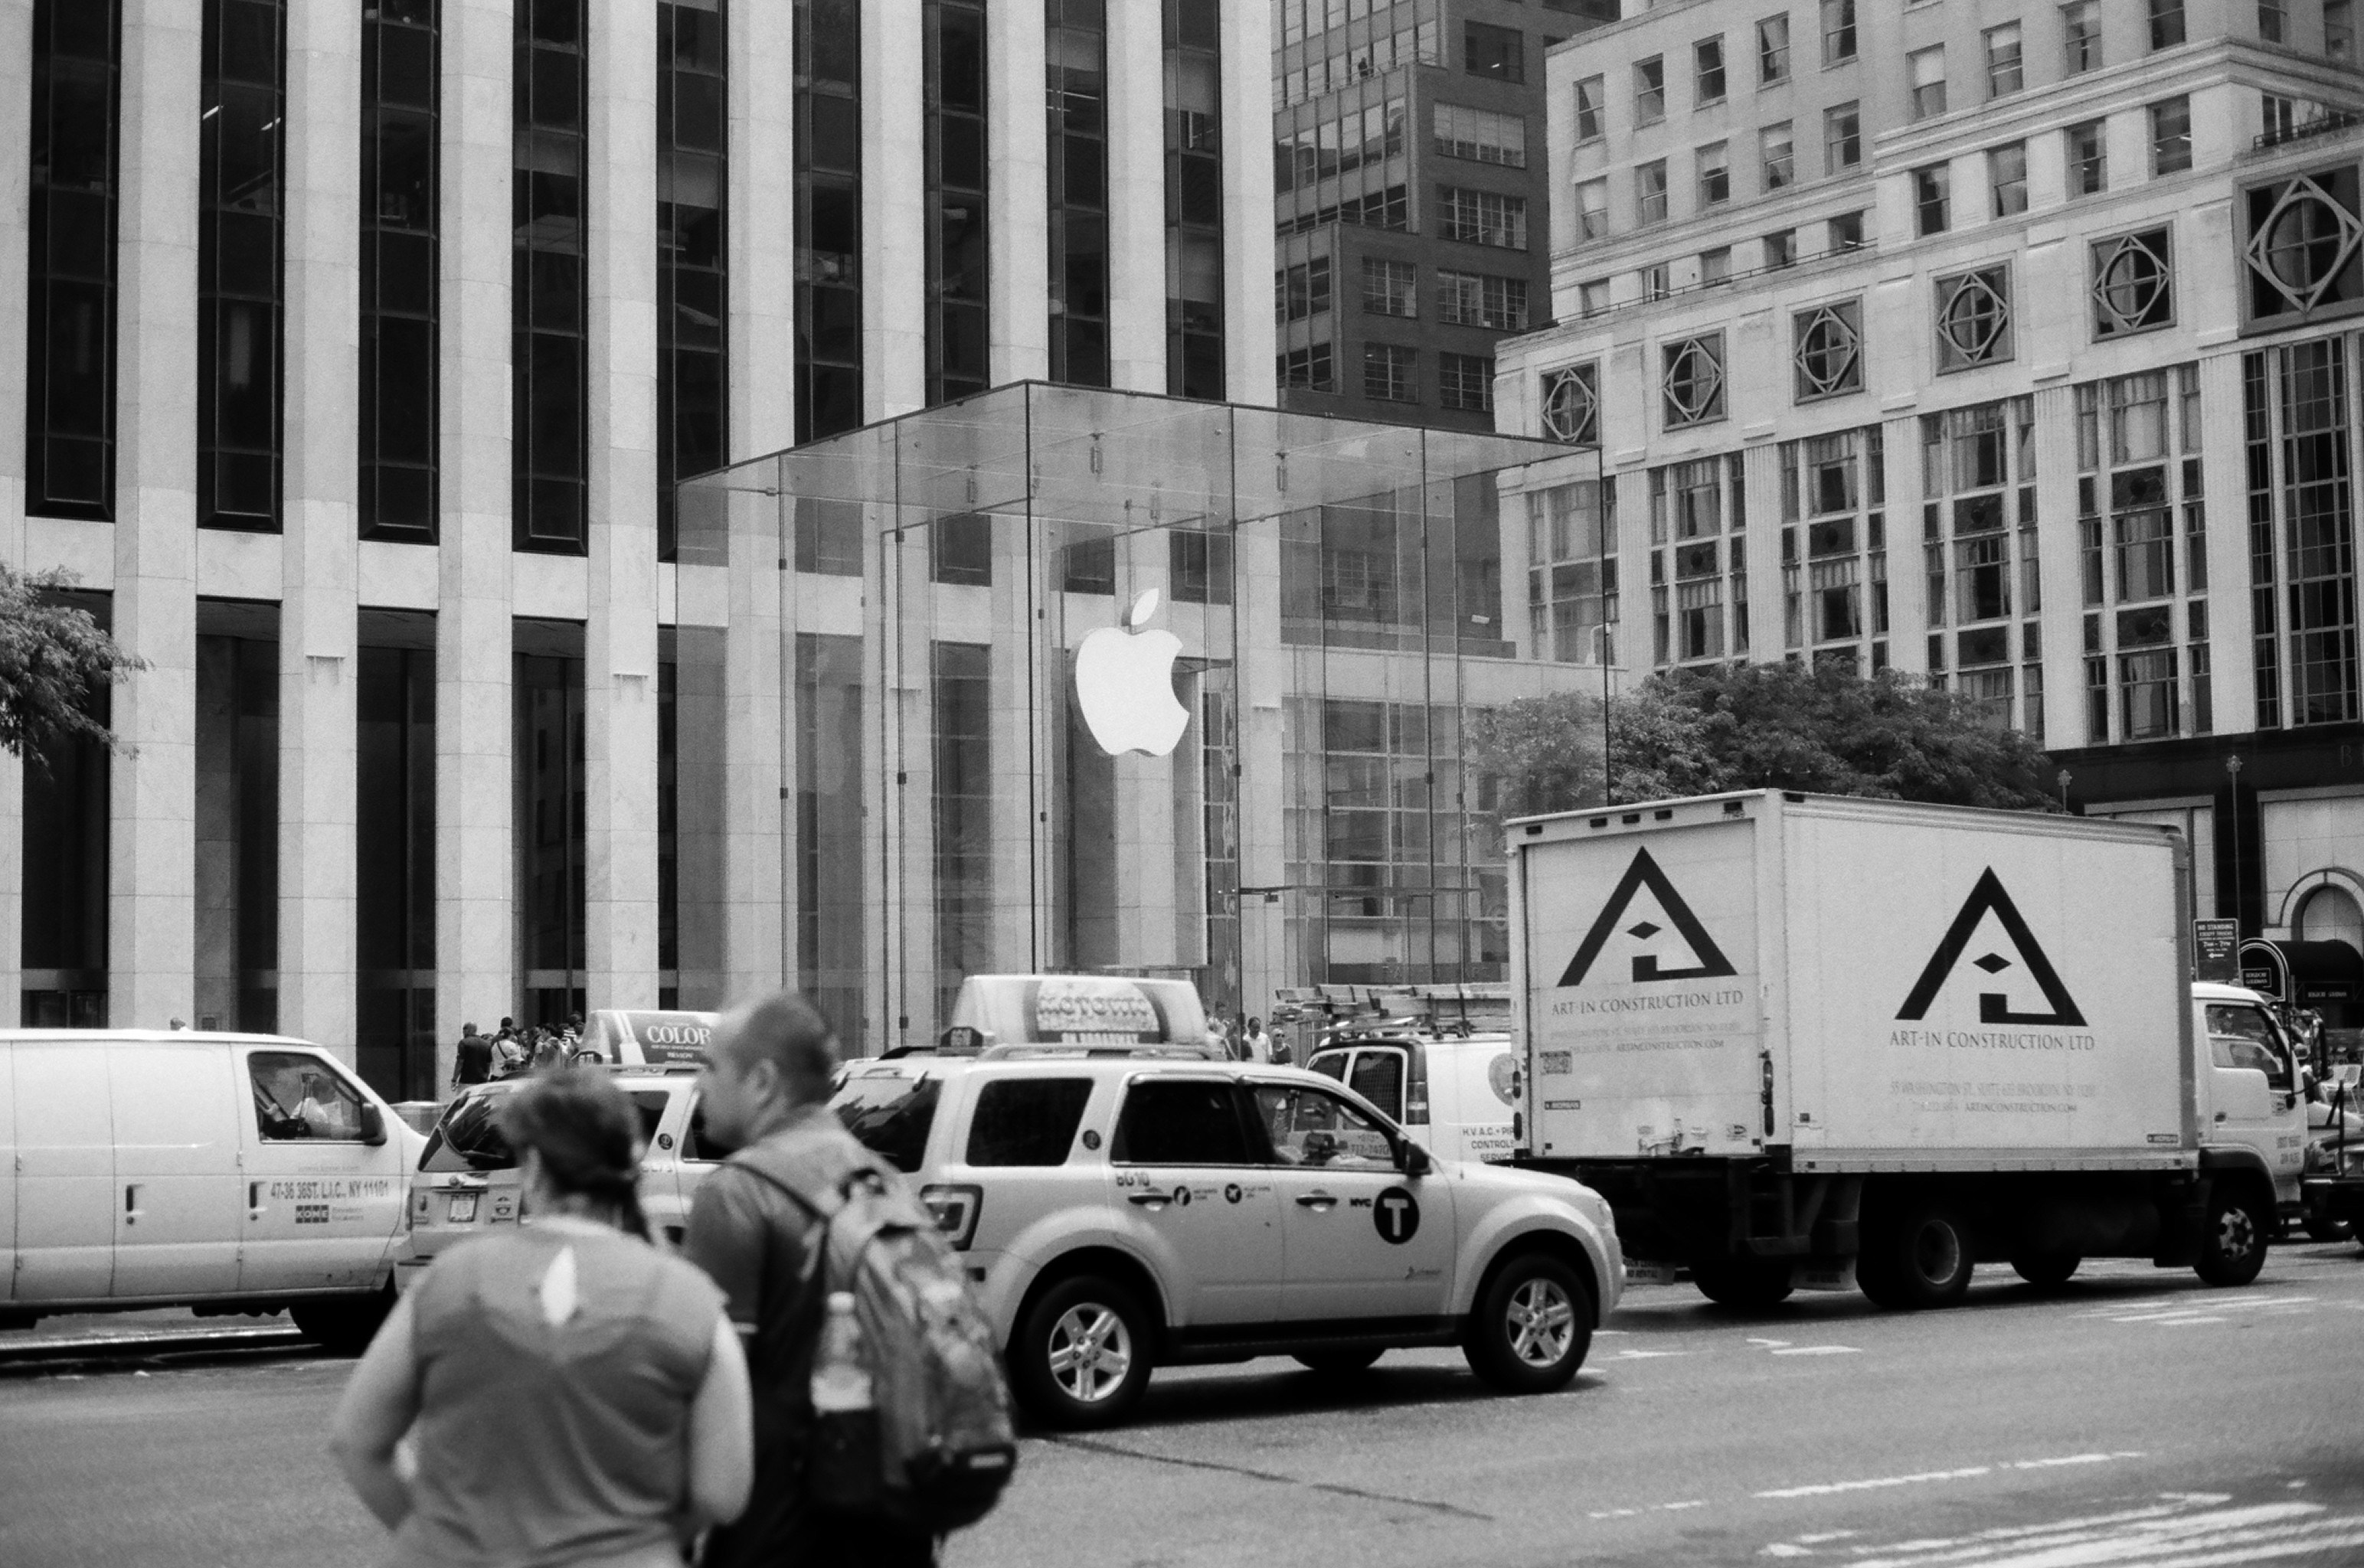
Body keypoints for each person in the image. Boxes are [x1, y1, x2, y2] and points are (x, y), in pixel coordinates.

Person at [331, 1069, 753, 1568]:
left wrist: (435, 1534)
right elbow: (721, 1494)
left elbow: (356, 1441)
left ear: (531, 1165)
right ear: (631, 1163)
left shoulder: (447, 1281)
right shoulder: (690, 1300)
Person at [684, 993, 939, 1568]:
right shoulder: (885, 1180)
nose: (698, 1085)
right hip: (895, 1515)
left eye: (710, 1067)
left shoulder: (736, 1193)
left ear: (762, 1082)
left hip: (782, 1525)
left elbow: (710, 1387)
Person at [452, 1024, 492, 1090]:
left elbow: (460, 1062)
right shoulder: (486, 1044)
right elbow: (489, 1064)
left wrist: (454, 1079)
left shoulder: (464, 1042)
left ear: (469, 1030)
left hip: (466, 1081)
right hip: (482, 1081)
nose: (463, 1031)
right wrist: (486, 1077)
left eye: (464, 1029)